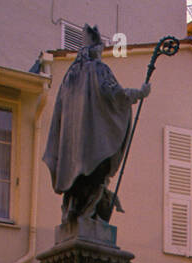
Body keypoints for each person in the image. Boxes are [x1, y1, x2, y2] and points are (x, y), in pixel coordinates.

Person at [42, 23, 151, 223]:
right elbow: (116, 95)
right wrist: (140, 93)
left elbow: (59, 115)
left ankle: (74, 211)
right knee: (95, 179)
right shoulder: (98, 69)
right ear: (96, 50)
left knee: (76, 187)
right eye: (100, 49)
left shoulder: (69, 78)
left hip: (71, 154)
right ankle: (86, 215)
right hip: (92, 149)